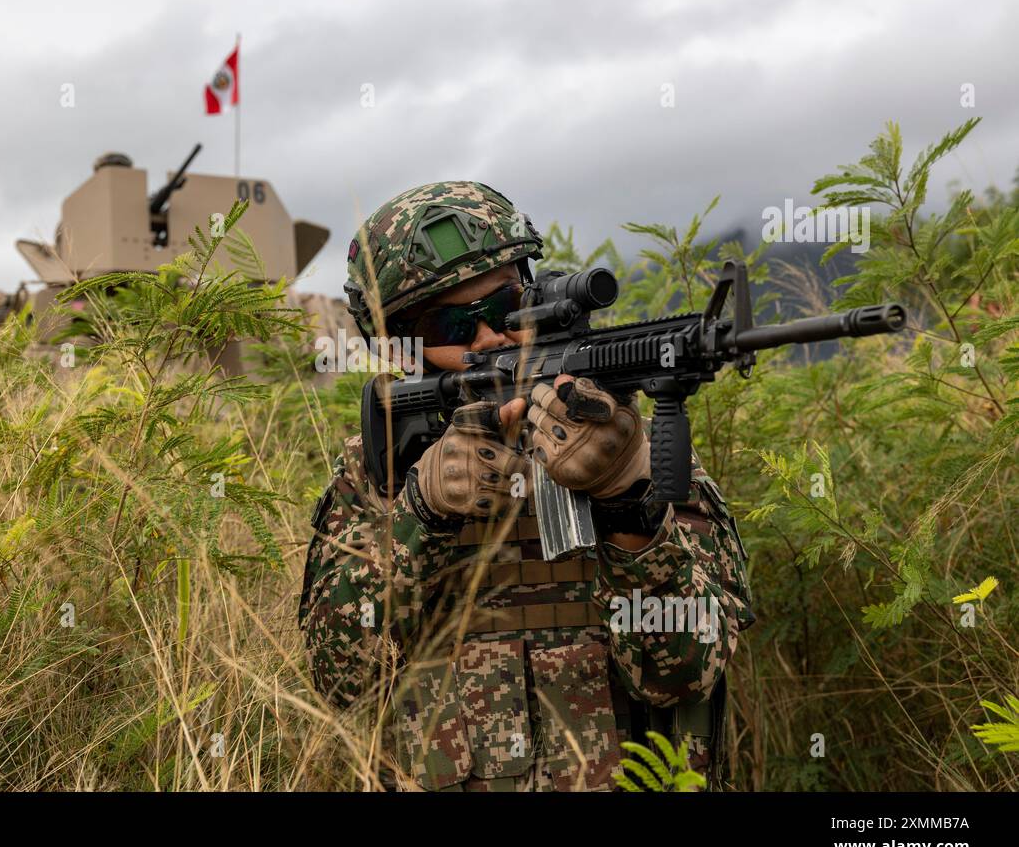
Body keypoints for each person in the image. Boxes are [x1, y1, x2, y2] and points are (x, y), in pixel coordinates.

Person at [298, 181, 754, 791]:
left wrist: (627, 502)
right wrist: (420, 514)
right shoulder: (380, 468)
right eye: (451, 324)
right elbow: (341, 681)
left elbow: (686, 675)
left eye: (506, 309)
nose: (487, 339)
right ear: (397, 344)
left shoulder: (628, 441)